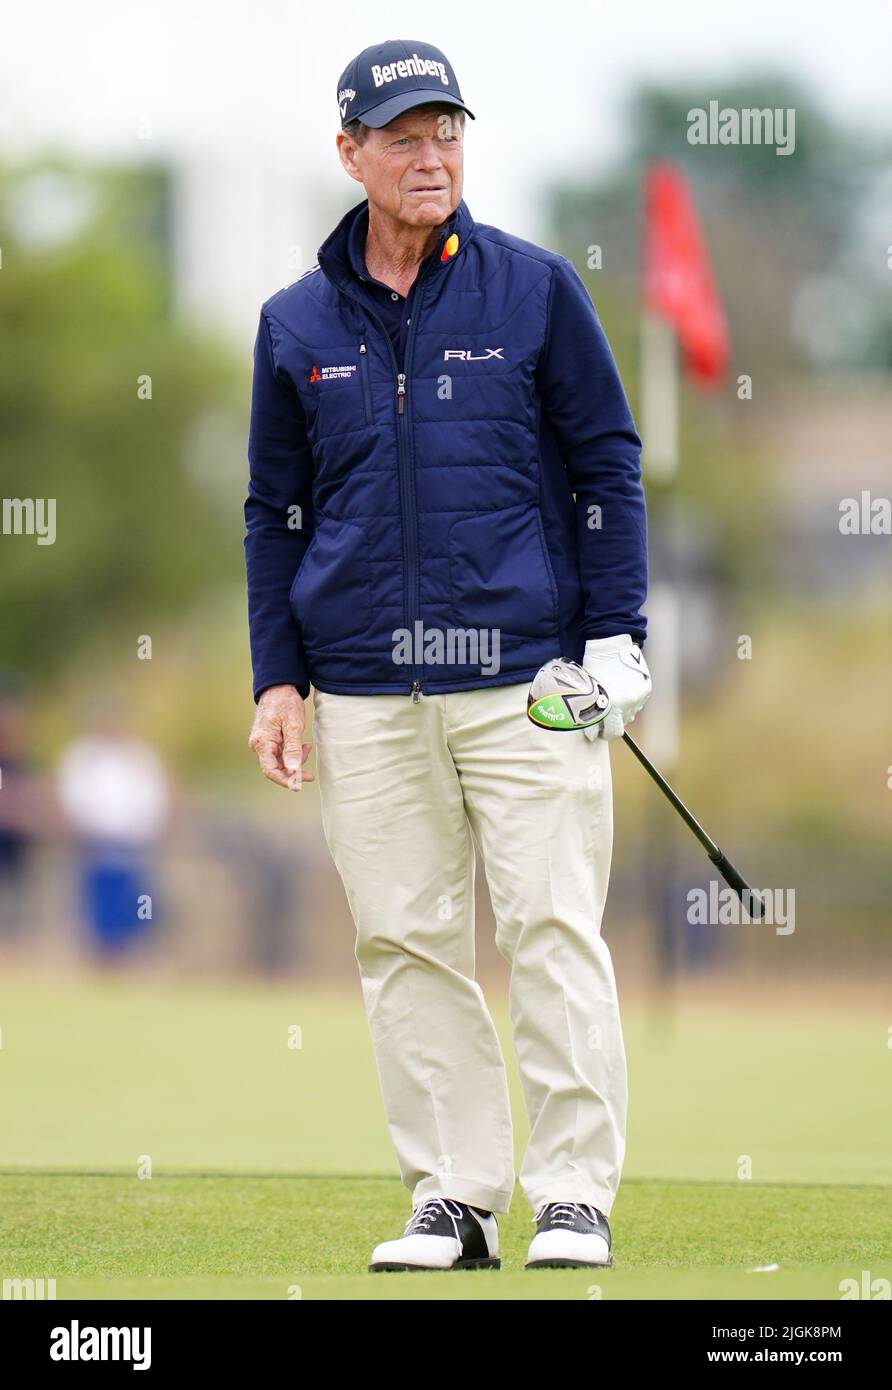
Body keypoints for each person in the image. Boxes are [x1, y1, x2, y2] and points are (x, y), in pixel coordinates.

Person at [245, 38, 652, 1272]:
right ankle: (454, 1198)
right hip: (366, 687)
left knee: (549, 931)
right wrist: (278, 676)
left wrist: (619, 637)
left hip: (526, 680)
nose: (431, 157)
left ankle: (571, 1193)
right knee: (405, 944)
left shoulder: (532, 289)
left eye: (447, 133)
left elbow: (606, 465)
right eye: (404, 136)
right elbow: (275, 513)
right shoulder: (295, 321)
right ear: (351, 152)